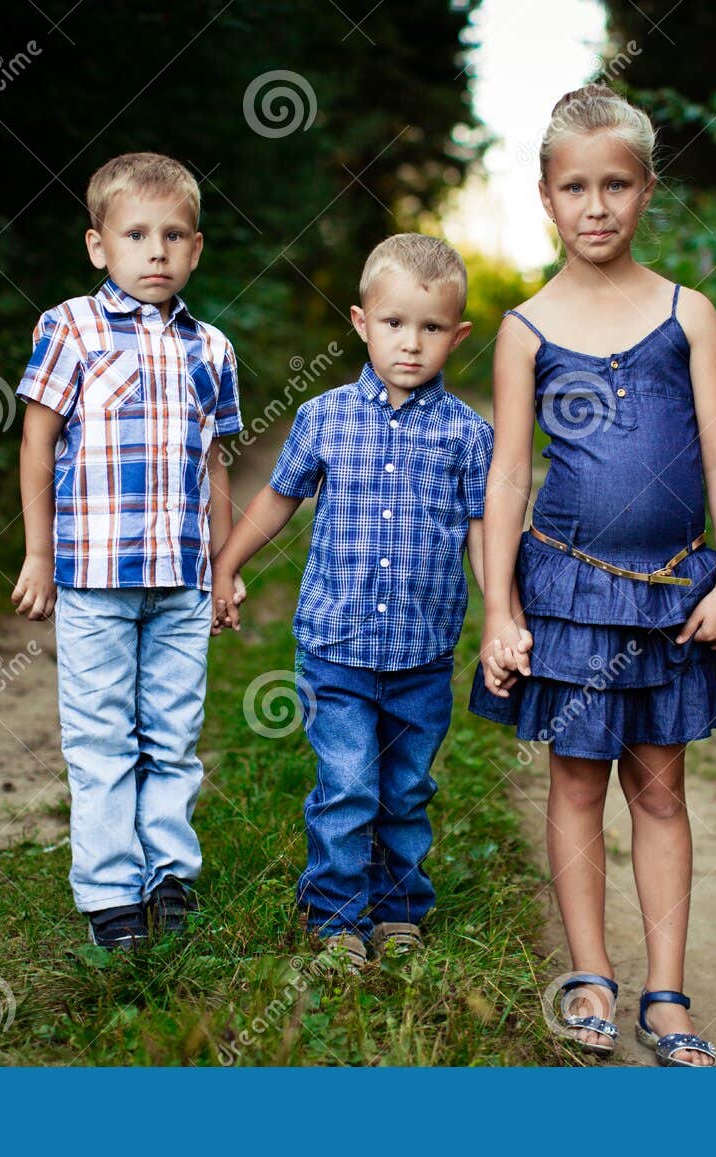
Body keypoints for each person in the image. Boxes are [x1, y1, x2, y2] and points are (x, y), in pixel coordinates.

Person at [471, 85, 716, 1067]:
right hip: (567, 595)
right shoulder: (526, 329)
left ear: (645, 191)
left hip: (674, 589)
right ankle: (590, 973)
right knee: (576, 785)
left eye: (616, 185)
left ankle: (665, 990)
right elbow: (508, 472)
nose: (596, 206)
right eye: (574, 187)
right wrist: (499, 609)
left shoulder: (687, 315)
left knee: (662, 790)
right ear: (546, 198)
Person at [212, 234, 495, 972]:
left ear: (457, 335)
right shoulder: (324, 417)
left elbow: (481, 534)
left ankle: (399, 906)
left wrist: (504, 615)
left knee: (405, 788)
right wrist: (226, 563)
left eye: (431, 328)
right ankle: (336, 913)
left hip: (423, 656)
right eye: (395, 323)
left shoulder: (469, 435)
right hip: (334, 650)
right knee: (346, 787)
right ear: (362, 321)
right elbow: (274, 501)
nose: (411, 344)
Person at [12, 152, 245, 949]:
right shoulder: (68, 326)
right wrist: (38, 553)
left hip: (180, 580)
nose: (156, 251)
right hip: (94, 575)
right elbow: (37, 443)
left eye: (173, 235)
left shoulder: (210, 348)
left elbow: (213, 461)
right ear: (97, 245)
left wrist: (225, 565)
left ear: (196, 249)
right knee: (101, 735)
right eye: (136, 234)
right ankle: (110, 889)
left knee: (172, 735)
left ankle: (169, 874)